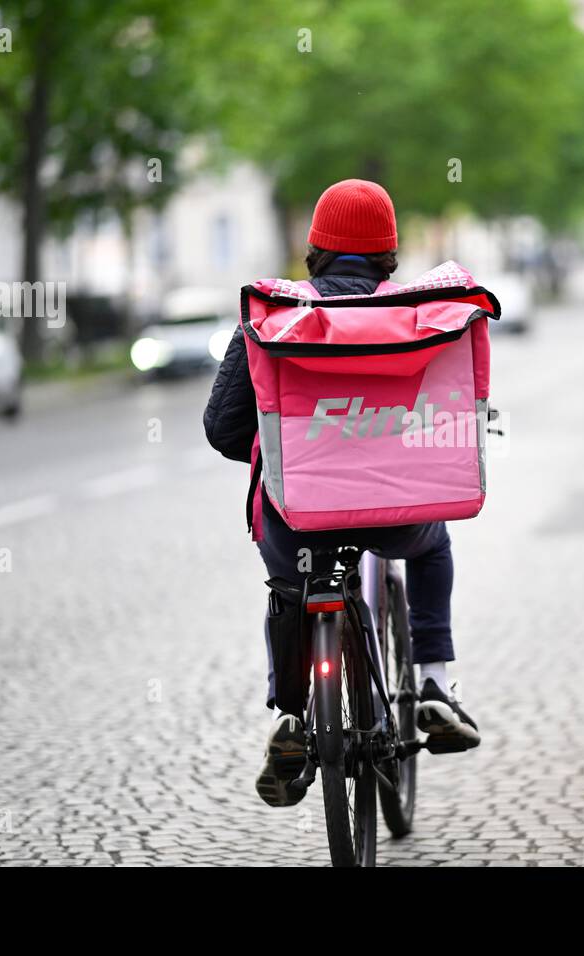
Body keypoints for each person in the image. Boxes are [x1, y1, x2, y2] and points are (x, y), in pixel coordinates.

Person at [203, 179, 480, 807]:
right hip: (395, 521)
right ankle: (434, 683)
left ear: (315, 250)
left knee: (290, 590)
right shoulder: (416, 317)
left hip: (295, 521)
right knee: (434, 546)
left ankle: (295, 716)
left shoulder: (273, 317)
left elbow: (222, 430)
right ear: (389, 253)